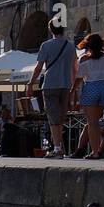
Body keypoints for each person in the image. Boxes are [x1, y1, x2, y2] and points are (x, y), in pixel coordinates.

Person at [27, 18, 77, 158]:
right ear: (63, 29)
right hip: (66, 85)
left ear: (51, 30)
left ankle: (57, 149)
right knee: (60, 117)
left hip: (50, 85)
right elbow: (74, 68)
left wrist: (30, 83)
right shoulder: (70, 46)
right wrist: (74, 86)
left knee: (53, 118)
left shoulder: (46, 45)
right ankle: (59, 147)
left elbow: (38, 68)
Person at [74, 33, 104, 158]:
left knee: (92, 122)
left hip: (91, 87)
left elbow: (79, 78)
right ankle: (99, 150)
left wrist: (73, 90)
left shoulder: (84, 59)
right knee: (98, 119)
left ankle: (95, 152)